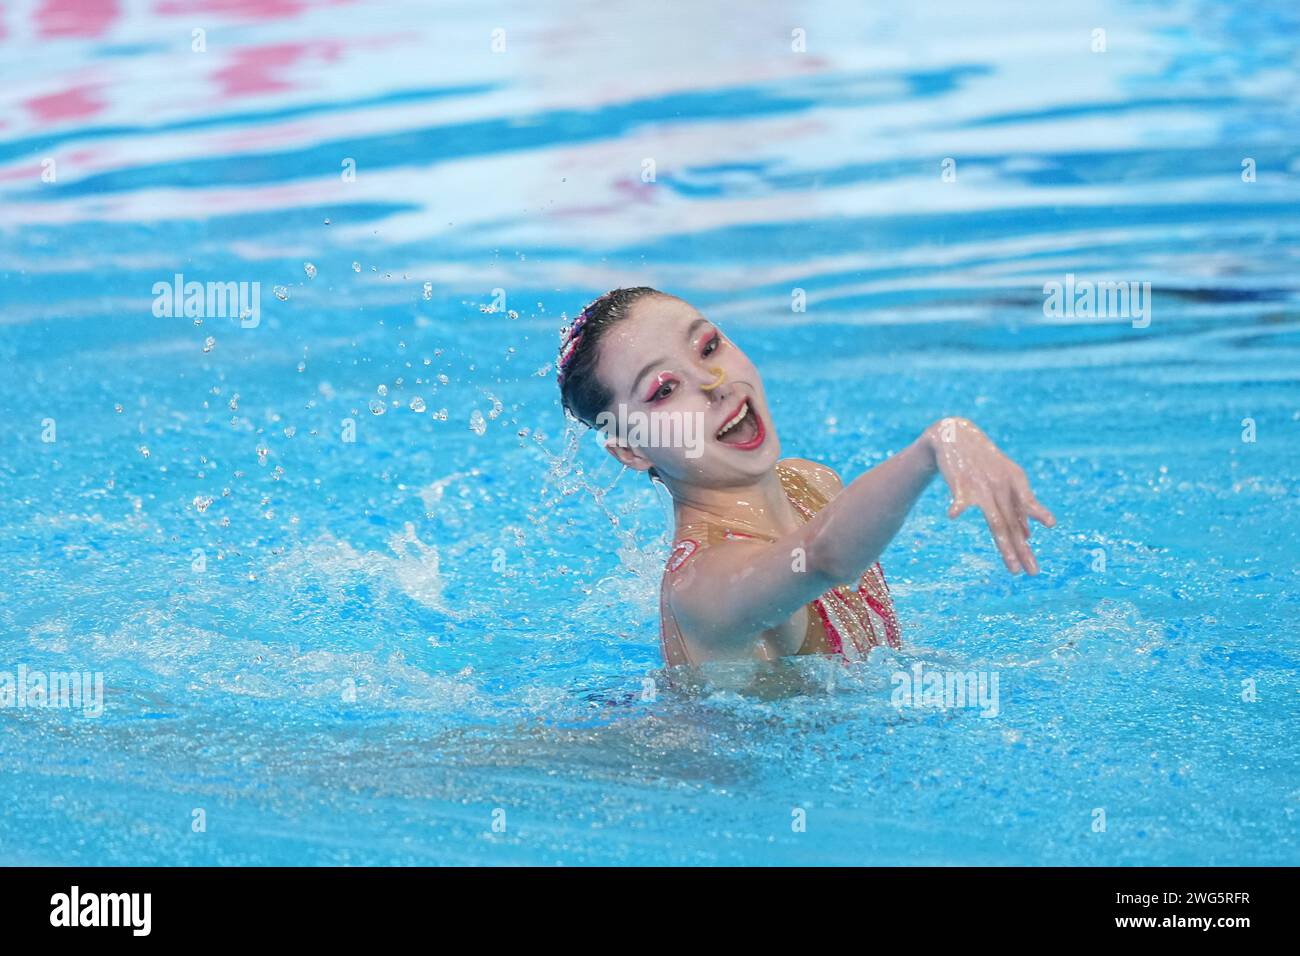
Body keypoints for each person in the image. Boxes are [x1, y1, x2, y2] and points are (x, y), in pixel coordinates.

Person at [557, 287, 1056, 667]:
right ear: (630, 448)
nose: (714, 383)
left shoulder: (810, 482)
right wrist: (933, 447)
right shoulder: (701, 588)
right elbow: (824, 557)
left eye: (709, 347)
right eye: (664, 390)